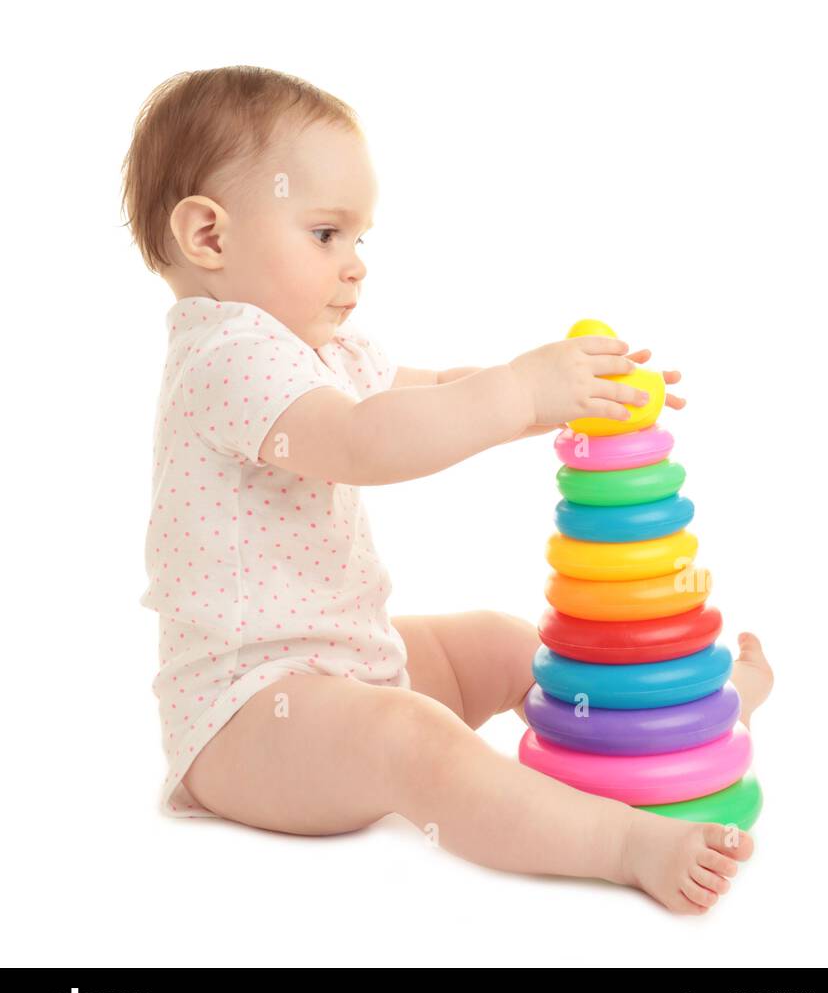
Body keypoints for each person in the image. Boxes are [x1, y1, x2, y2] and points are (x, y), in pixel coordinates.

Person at [121, 65, 773, 914]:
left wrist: (576, 390)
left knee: (513, 649)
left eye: (360, 240)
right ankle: (619, 841)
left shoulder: (317, 347)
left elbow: (425, 394)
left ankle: (686, 729)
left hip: (346, 657)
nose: (355, 266)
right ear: (208, 236)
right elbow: (362, 442)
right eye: (325, 234)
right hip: (244, 719)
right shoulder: (225, 355)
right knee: (410, 740)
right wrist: (522, 393)